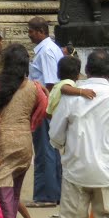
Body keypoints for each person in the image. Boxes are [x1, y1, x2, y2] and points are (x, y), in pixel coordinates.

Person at [50, 48, 109, 218]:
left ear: (87, 70)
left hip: (76, 169)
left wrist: (68, 147)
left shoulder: (72, 96)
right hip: (106, 172)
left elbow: (55, 135)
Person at [0, 44, 46, 218]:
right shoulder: (35, 88)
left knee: (4, 201)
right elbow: (42, 110)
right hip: (24, 144)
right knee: (13, 198)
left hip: (1, 145)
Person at [27, 16, 62, 207]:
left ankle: (46, 195)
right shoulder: (49, 49)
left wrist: (45, 108)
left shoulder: (47, 51)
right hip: (47, 105)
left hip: (44, 106)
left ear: (41, 31)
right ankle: (55, 192)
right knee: (51, 150)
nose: (29, 35)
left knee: (44, 150)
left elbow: (50, 82)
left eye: (31, 31)